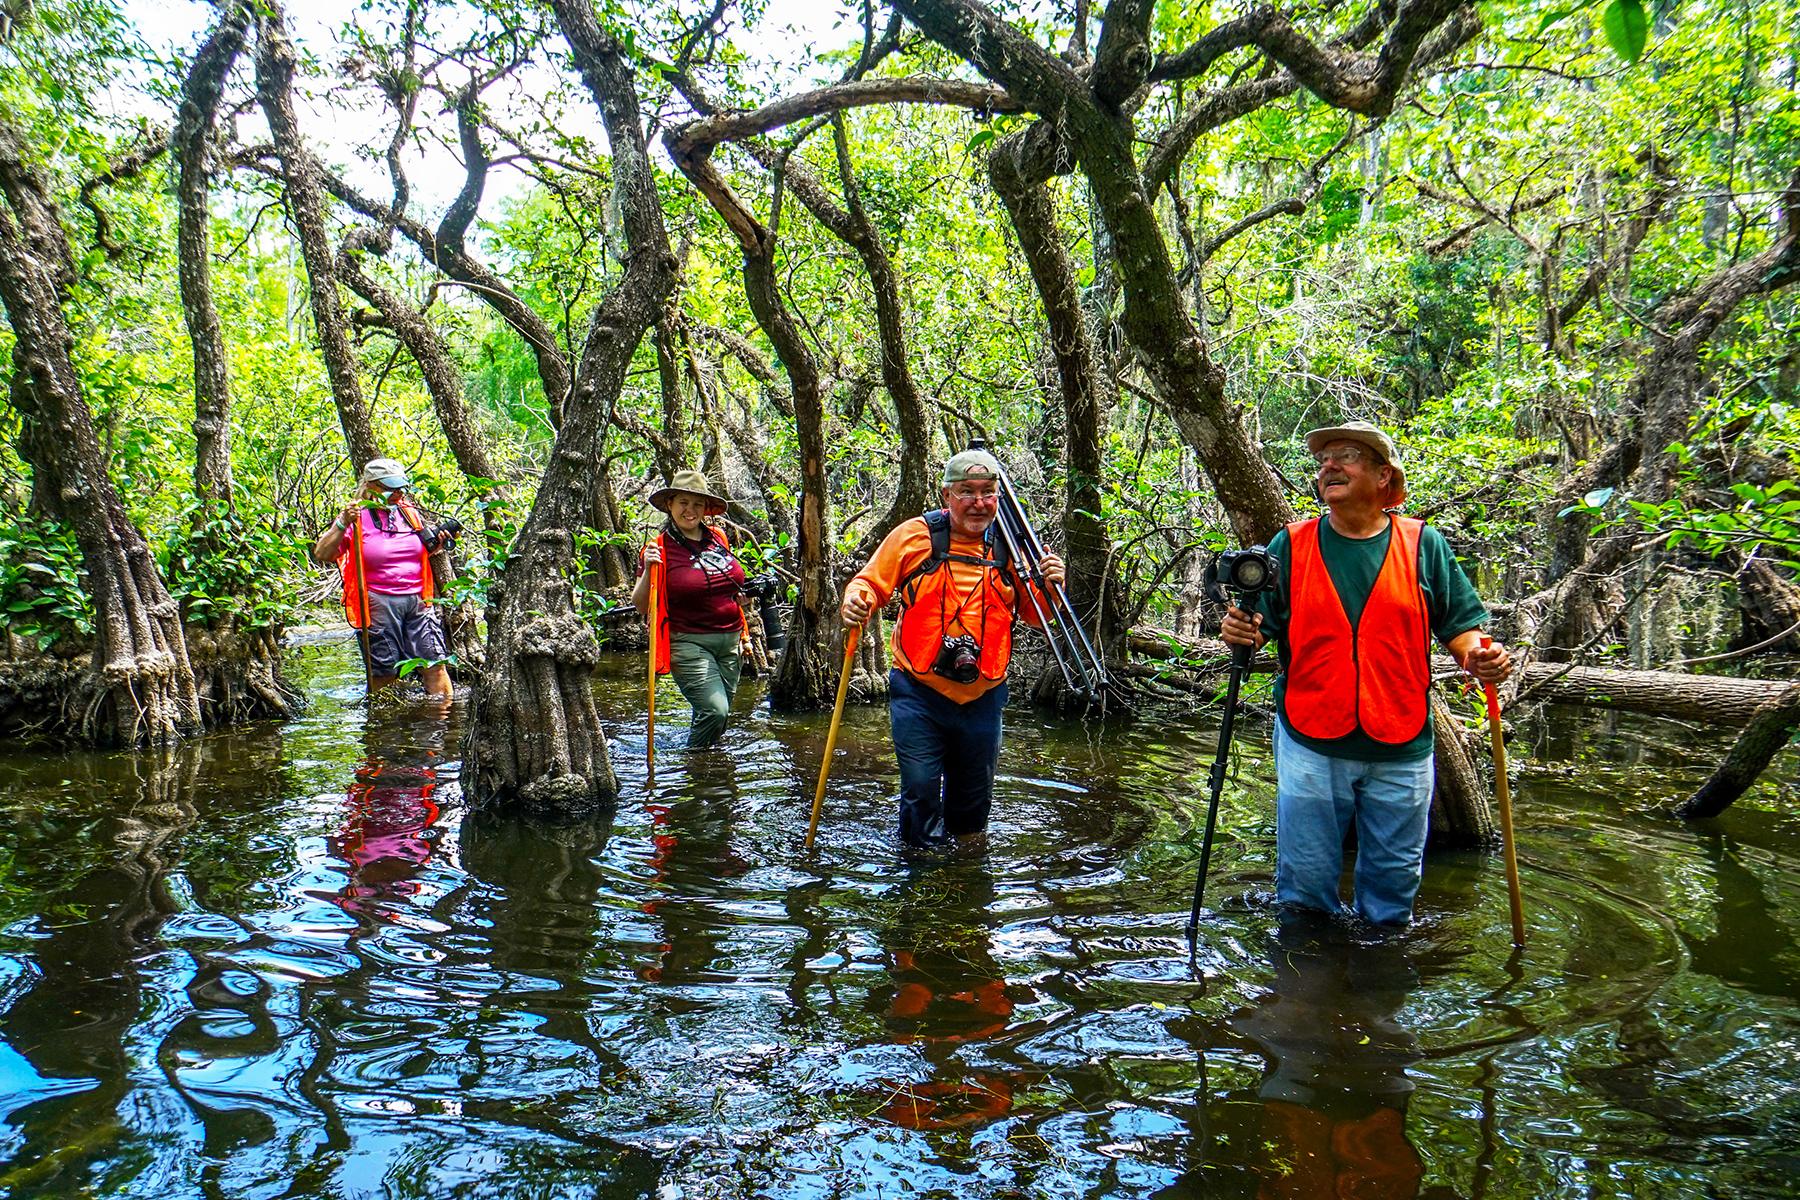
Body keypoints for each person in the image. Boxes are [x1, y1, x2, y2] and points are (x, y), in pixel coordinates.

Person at [1219, 420, 1513, 926]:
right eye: (1323, 460)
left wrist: (1479, 656)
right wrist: (1241, 630)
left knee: (1393, 895)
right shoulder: (1290, 545)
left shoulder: (1424, 544)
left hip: (1401, 745)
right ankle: (1308, 988)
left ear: (1383, 476)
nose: (1328, 466)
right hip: (1311, 739)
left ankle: (1379, 992)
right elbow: (1258, 626)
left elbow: (1462, 629)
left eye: (1346, 456)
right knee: (1305, 890)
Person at [840, 448, 1063, 849]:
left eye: (987, 492)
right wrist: (855, 598)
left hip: (984, 692)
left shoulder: (1013, 545)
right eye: (966, 492)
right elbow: (871, 582)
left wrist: (1051, 586)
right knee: (920, 789)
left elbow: (1035, 614)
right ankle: (920, 877)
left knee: (973, 807)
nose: (978, 502)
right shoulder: (914, 536)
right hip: (918, 690)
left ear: (998, 496)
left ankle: (965, 881)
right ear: (946, 495)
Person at [312, 457, 452, 700]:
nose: (398, 493)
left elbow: (417, 553)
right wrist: (342, 523)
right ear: (372, 487)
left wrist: (437, 544)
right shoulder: (356, 517)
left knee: (434, 664)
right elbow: (323, 553)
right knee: (384, 671)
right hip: (377, 602)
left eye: (400, 487)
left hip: (418, 599)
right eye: (390, 487)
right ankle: (386, 730)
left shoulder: (409, 514)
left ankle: (444, 728)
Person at [632, 468, 750, 749]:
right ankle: (694, 764)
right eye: (683, 502)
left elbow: (729, 587)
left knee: (718, 717)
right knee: (715, 711)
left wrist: (745, 617)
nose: (690, 510)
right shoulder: (657, 548)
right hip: (688, 642)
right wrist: (649, 568)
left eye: (697, 504)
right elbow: (640, 605)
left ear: (706, 509)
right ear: (670, 504)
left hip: (730, 640)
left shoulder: (718, 538)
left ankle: (706, 778)